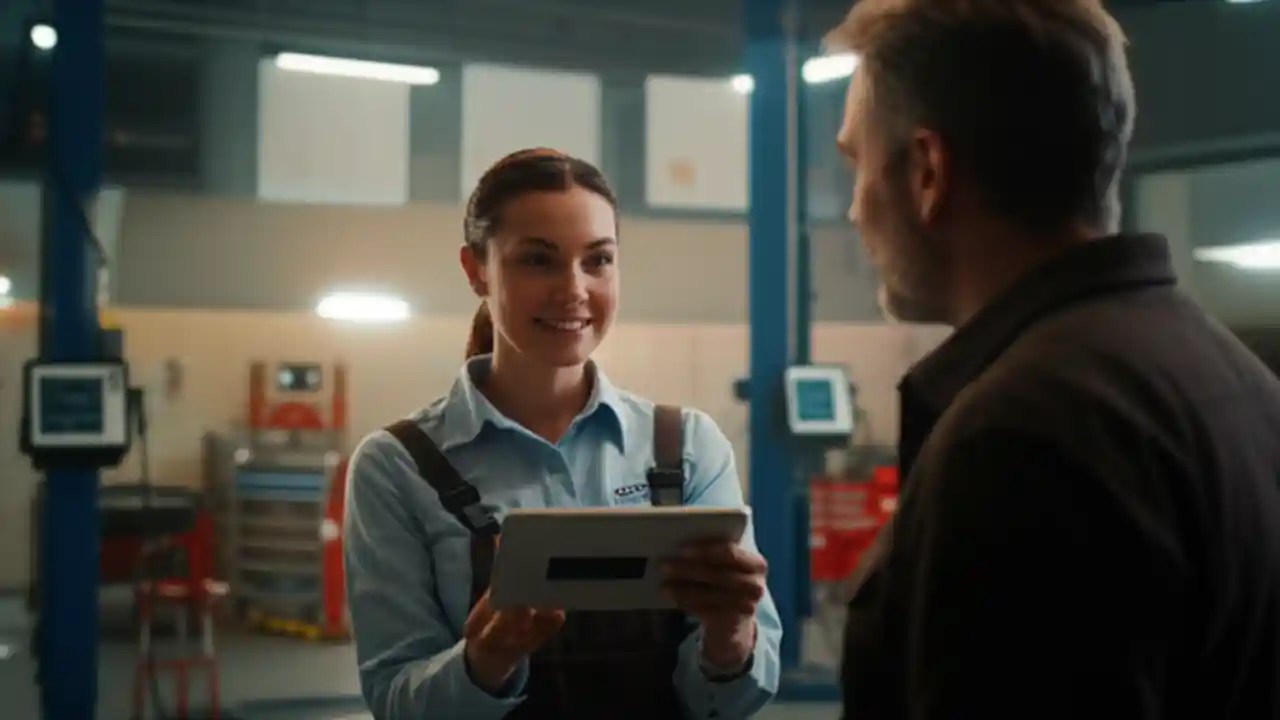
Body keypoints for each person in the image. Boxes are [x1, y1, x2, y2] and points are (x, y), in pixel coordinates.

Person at [828, 0, 1280, 718]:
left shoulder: (1019, 437)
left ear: (927, 171)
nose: (854, 210)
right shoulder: (1230, 377)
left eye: (857, 163)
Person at [343, 148, 782, 720]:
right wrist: (485, 661)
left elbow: (734, 700)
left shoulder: (687, 448)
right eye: (537, 260)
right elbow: (395, 699)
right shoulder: (397, 468)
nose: (573, 289)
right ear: (476, 270)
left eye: (598, 260)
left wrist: (730, 636)